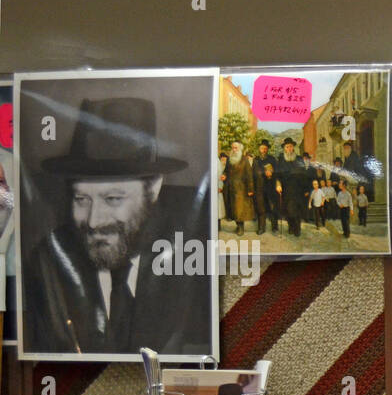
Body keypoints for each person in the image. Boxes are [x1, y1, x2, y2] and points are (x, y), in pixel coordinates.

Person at [22, 97, 211, 356]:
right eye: (81, 199)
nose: (93, 220)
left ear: (153, 188)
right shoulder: (47, 262)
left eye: (112, 199)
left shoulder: (194, 258)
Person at [274, 137, 312, 236]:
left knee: (297, 210)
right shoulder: (281, 160)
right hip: (286, 190)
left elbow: (305, 175)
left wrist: (306, 189)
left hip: (298, 190)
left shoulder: (299, 159)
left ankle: (297, 228)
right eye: (287, 147)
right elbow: (277, 175)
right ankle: (291, 226)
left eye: (291, 146)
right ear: (284, 149)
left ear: (293, 148)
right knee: (288, 210)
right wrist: (278, 184)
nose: (289, 149)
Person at [223, 140, 256, 236]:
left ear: (240, 148)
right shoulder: (229, 159)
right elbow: (226, 171)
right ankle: (238, 225)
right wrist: (224, 175)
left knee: (240, 209)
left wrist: (250, 189)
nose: (234, 149)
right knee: (233, 209)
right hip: (231, 188)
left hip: (241, 189)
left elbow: (249, 175)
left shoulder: (244, 160)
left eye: (236, 148)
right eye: (232, 147)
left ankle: (241, 227)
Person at [257, 162, 279, 234]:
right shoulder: (262, 177)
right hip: (263, 196)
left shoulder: (275, 177)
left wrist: (279, 186)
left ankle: (275, 227)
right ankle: (261, 228)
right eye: (265, 171)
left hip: (272, 197)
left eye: (268, 170)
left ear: (271, 170)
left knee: (273, 212)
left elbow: (278, 183)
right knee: (261, 212)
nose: (267, 172)